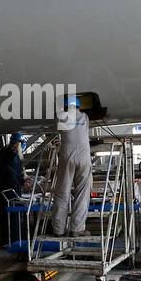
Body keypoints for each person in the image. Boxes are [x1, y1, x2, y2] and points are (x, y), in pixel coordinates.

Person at [52, 94, 92, 237]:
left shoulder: (61, 117)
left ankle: (58, 229)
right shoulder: (85, 118)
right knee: (82, 193)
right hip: (83, 157)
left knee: (62, 193)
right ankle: (77, 229)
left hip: (67, 157)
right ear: (78, 106)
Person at [0, 133, 25, 249]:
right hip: (10, 192)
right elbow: (11, 175)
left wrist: (23, 180)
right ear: (18, 143)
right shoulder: (10, 155)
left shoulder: (4, 154)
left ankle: (6, 241)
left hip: (5, 191)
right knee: (13, 219)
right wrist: (21, 182)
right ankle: (13, 242)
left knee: (6, 218)